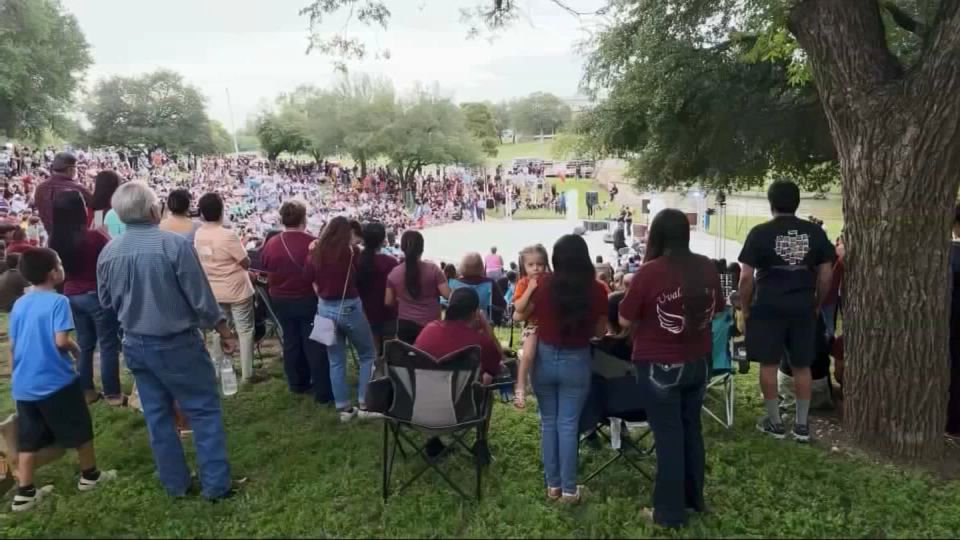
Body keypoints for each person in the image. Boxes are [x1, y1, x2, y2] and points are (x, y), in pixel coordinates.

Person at [97, 181, 239, 500]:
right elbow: (200, 297)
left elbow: (106, 301)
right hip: (178, 343)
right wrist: (224, 331)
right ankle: (216, 485)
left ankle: (175, 483)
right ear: (152, 210)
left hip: (134, 343)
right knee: (202, 411)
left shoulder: (108, 252)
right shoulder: (172, 246)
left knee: (158, 415)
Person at [619, 208, 724, 528]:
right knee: (691, 429)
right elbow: (716, 309)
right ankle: (694, 500)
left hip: (659, 366)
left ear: (657, 235)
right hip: (698, 361)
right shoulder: (706, 266)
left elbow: (624, 318)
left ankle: (667, 513)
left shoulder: (650, 272)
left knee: (668, 437)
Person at [9, 248, 117, 512]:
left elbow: (12, 345)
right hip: (55, 381)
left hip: (24, 384)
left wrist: (16, 376)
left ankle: (25, 493)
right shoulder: (58, 302)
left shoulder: (19, 304)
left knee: (28, 438)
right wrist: (76, 350)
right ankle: (90, 476)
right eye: (59, 263)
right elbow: (60, 341)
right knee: (80, 427)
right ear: (53, 273)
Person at [738, 180, 835, 442]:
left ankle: (775, 422)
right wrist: (816, 303)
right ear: (797, 203)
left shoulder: (759, 233)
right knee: (802, 364)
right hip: (802, 304)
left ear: (771, 204)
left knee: (768, 364)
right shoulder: (815, 233)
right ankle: (802, 426)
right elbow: (826, 274)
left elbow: (746, 278)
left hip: (768, 304)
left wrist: (745, 309)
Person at [516, 235, 607, 504]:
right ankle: (569, 490)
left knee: (548, 422)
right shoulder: (597, 289)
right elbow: (600, 331)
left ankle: (552, 486)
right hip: (576, 360)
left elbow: (521, 314)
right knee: (568, 425)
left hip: (543, 357)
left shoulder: (542, 285)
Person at [48, 191, 122, 406]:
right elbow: (112, 254)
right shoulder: (94, 236)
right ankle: (112, 394)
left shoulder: (53, 240)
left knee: (85, 343)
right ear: (81, 210)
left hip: (71, 295)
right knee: (108, 344)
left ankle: (86, 390)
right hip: (96, 293)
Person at [258, 200, 333, 402]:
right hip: (308, 298)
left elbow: (265, 267)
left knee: (291, 340)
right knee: (315, 343)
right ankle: (322, 389)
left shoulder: (272, 243)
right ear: (304, 218)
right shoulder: (313, 243)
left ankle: (297, 383)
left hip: (280, 300)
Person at [307, 216, 378, 423]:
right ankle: (365, 403)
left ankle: (344, 408)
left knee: (335, 360)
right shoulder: (351, 252)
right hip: (348, 306)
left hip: (323, 309)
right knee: (367, 353)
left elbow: (308, 277)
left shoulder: (315, 253)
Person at [194, 193, 258, 383]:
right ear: (221, 211)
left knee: (220, 330)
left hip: (214, 289)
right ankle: (247, 373)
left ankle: (219, 369)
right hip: (237, 290)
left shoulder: (199, 234)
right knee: (245, 330)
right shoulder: (227, 235)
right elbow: (245, 262)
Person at [414, 287, 504, 382]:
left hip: (424, 392)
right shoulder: (481, 342)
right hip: (463, 395)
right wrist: (488, 329)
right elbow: (497, 365)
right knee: (487, 377)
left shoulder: (429, 329)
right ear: (476, 313)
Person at [386, 230, 451, 344]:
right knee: (430, 358)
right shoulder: (433, 269)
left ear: (402, 248)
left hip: (405, 326)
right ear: (422, 248)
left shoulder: (394, 274)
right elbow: (448, 294)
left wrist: (401, 297)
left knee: (409, 359)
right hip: (431, 325)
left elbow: (388, 302)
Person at [513, 244, 550, 409]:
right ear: (524, 266)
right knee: (527, 354)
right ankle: (520, 388)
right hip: (533, 325)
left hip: (549, 324)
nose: (536, 268)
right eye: (531, 265)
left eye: (539, 264)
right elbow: (519, 308)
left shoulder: (550, 280)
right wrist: (530, 289)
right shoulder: (523, 283)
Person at [356, 222, 400, 357]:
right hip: (389, 312)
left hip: (367, 313)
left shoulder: (358, 260)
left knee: (374, 352)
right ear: (383, 240)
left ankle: (375, 376)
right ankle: (388, 376)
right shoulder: (391, 262)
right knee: (390, 352)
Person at [32, 152, 93, 233]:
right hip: (74, 240)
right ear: (70, 169)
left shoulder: (40, 188)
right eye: (76, 167)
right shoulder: (78, 188)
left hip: (50, 239)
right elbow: (97, 208)